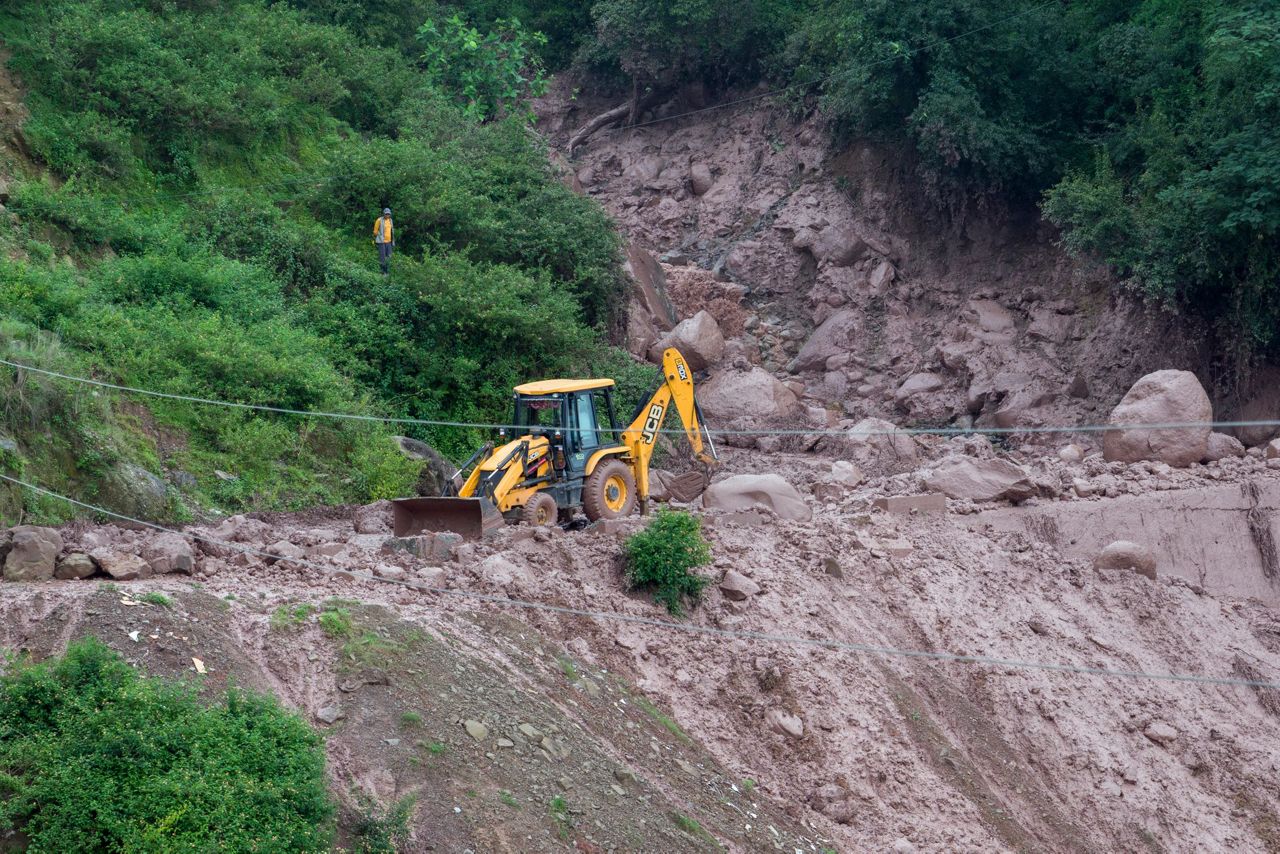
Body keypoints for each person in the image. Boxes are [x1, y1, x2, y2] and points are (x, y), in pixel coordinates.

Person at [373, 207, 394, 275]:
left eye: (388, 214)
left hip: (389, 242)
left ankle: (387, 272)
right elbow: (375, 232)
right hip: (382, 242)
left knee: (389, 256)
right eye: (386, 214)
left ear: (390, 214)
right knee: (382, 257)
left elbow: (391, 230)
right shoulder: (379, 220)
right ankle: (382, 272)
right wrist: (380, 237)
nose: (387, 215)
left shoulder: (390, 220)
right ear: (383, 214)